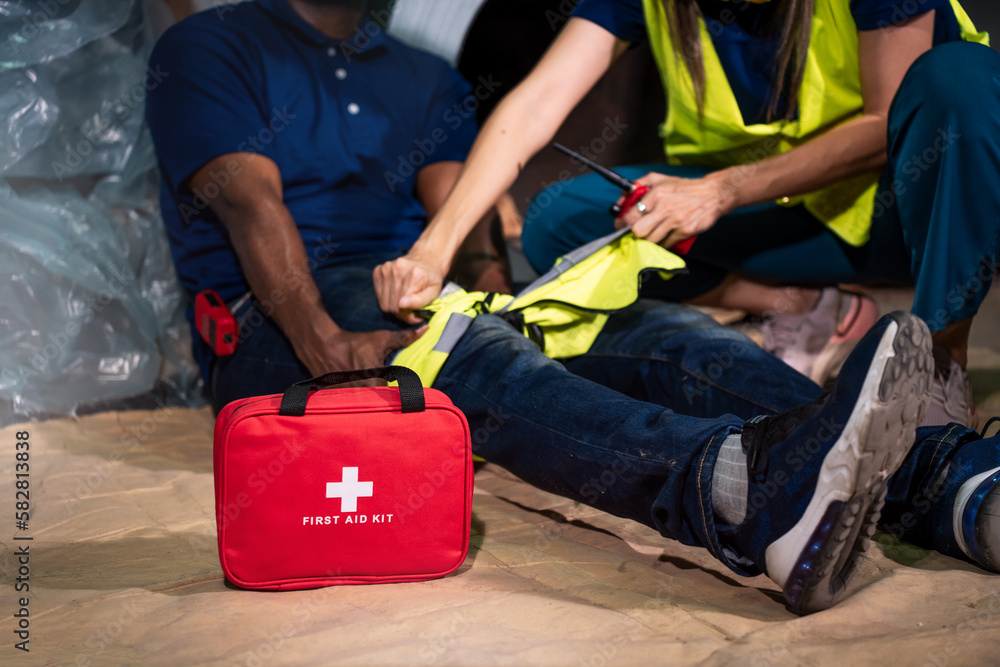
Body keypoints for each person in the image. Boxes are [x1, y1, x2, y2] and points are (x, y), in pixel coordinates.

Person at [146, 0, 999, 614]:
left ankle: (949, 478)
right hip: (297, 313)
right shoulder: (212, 45)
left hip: (424, 296)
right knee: (477, 347)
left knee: (652, 330)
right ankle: (738, 491)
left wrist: (488, 282)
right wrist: (328, 339)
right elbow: (250, 204)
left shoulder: (426, 78)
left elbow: (471, 227)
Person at [375, 0, 998, 428]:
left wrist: (724, 189)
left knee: (960, 79)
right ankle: (809, 309)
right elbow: (535, 105)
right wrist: (434, 247)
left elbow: (884, 121)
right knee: (562, 218)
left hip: (918, 213)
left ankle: (940, 357)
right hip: (792, 219)